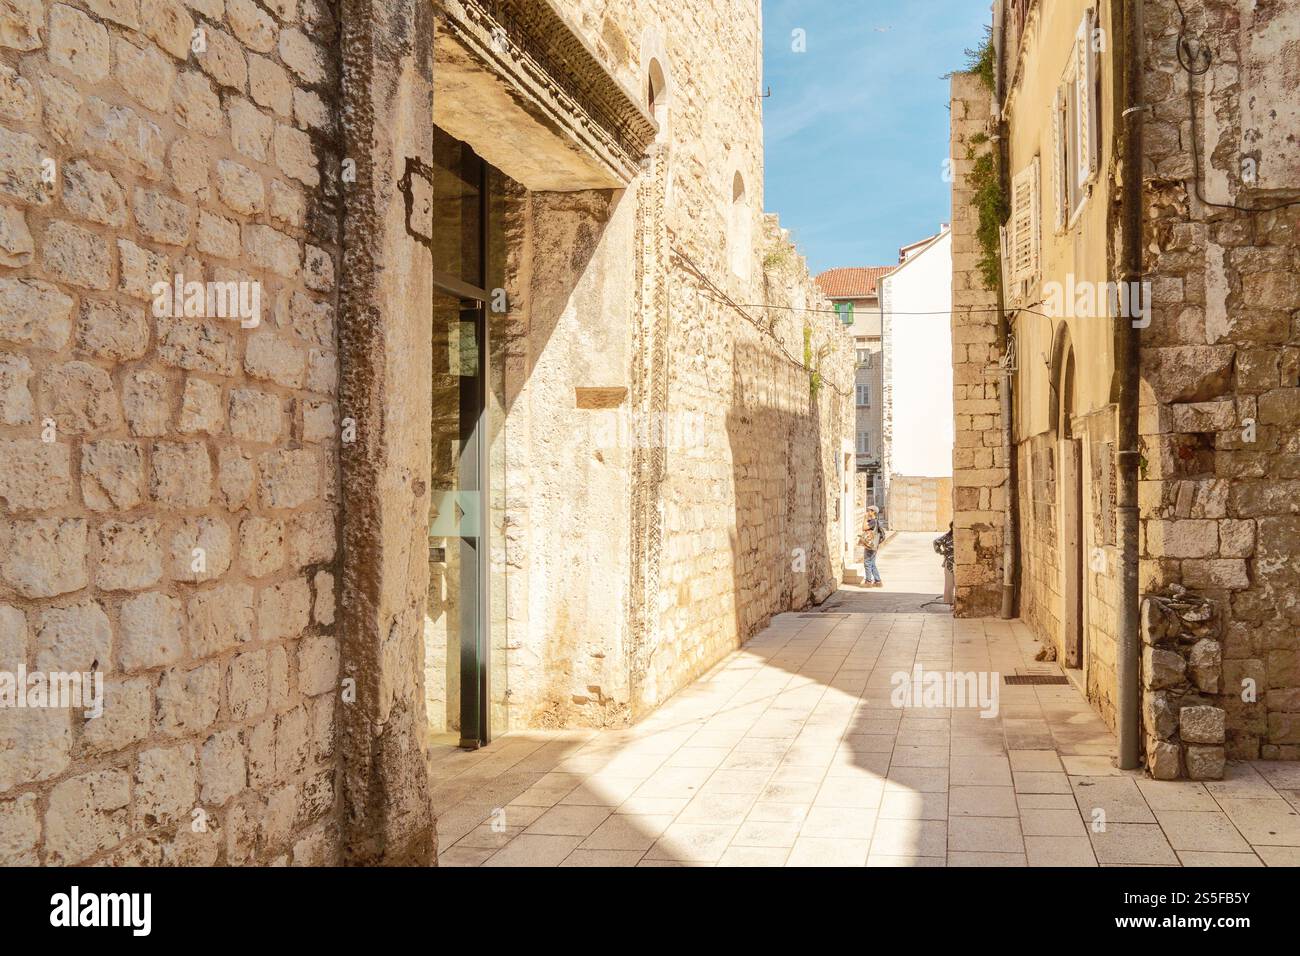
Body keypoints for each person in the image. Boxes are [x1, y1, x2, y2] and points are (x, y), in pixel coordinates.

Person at [859, 506, 884, 587]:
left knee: (867, 563)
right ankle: (878, 581)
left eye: (869, 511)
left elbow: (863, 528)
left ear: (873, 512)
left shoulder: (873, 522)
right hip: (874, 545)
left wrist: (864, 518)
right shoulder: (875, 521)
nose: (867, 512)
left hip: (870, 545)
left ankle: (868, 582)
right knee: (872, 563)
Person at [934, 522, 954, 605]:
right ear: (951, 527)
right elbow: (936, 542)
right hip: (949, 563)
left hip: (959, 564)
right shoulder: (947, 537)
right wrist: (941, 552)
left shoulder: (962, 536)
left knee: (959, 585)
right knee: (949, 585)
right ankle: (950, 604)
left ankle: (958, 603)